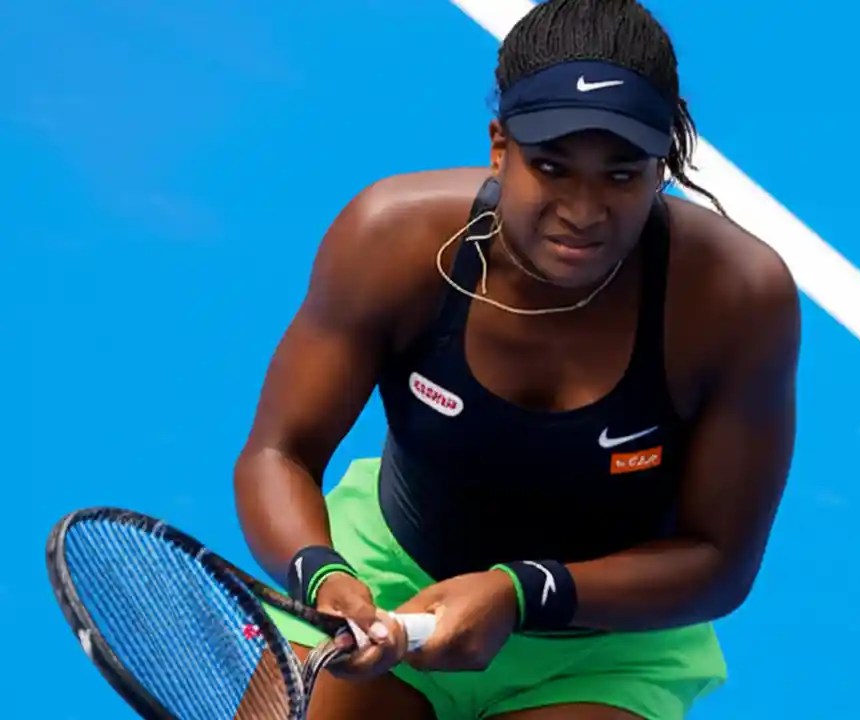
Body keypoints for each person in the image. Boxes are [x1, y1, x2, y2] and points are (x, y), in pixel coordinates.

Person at [232, 0, 800, 717]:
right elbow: (279, 452)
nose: (583, 210)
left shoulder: (734, 299)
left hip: (602, 650)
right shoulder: (389, 241)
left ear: (663, 169)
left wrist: (520, 591)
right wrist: (321, 576)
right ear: (500, 146)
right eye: (553, 167)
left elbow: (720, 562)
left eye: (621, 175)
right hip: (382, 590)